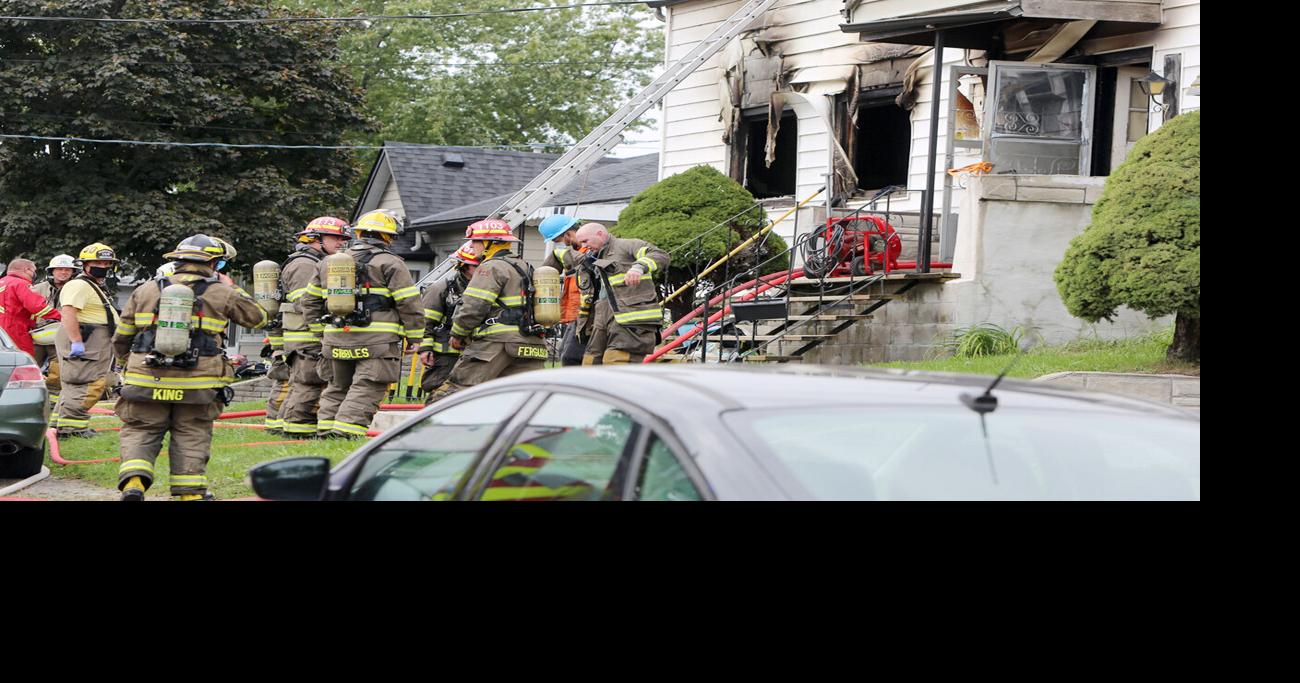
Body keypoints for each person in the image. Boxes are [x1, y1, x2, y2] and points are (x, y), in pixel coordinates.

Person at [112, 234, 268, 501]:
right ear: (213, 264)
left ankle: (134, 483)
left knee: (141, 429)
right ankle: (190, 495)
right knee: (192, 433)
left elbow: (122, 336)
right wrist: (231, 286)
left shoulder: (147, 289)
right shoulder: (221, 291)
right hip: (197, 383)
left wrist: (128, 364)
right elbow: (258, 317)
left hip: (147, 378)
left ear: (178, 261)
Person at [299, 209, 423, 438]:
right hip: (377, 342)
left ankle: (325, 430)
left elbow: (309, 301)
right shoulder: (391, 263)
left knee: (337, 386)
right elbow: (408, 302)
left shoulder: (328, 263)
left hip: (336, 339)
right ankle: (344, 434)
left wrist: (320, 333)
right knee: (367, 385)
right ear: (387, 237)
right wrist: (415, 336)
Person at [427, 218, 547, 402]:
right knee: (519, 400)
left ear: (489, 244)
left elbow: (473, 306)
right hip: (532, 345)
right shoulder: (526, 267)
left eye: (475, 241)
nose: (472, 245)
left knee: (455, 392)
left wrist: (458, 334)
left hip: (496, 345)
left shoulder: (490, 267)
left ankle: (428, 429)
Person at [276, 217, 351, 436]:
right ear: (315, 238)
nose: (340, 243)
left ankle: (289, 427)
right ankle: (296, 430)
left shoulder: (311, 261)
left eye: (343, 238)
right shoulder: (305, 264)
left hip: (304, 334)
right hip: (305, 335)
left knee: (305, 383)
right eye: (335, 238)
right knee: (308, 383)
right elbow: (304, 303)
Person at [573, 222, 670, 364]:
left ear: (600, 234)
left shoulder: (626, 245)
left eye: (585, 241)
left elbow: (660, 255)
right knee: (590, 362)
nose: (583, 246)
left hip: (631, 321)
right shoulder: (592, 258)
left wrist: (639, 267)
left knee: (616, 363)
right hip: (603, 320)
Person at [53, 243, 122, 438]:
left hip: (92, 339)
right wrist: (76, 341)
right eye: (98, 262)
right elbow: (68, 313)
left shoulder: (92, 285)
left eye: (107, 263)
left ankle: (58, 426)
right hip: (87, 338)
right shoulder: (79, 285)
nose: (103, 266)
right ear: (84, 264)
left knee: (76, 386)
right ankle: (72, 429)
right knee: (89, 384)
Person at [417, 242, 478, 403]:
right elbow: (425, 322)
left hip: (476, 351)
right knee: (440, 390)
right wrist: (425, 348)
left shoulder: (488, 288)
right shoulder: (441, 288)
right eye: (476, 266)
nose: (480, 270)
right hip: (445, 353)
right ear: (462, 266)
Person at [537, 215, 591, 366]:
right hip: (575, 316)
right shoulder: (575, 252)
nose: (561, 246)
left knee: (571, 358)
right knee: (564, 355)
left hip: (587, 316)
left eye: (559, 241)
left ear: (568, 234)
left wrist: (561, 254)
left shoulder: (589, 251)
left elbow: (586, 263)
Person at [31, 254, 76, 423]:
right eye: (60, 269)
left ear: (73, 272)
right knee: (29, 369)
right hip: (37, 336)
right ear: (52, 271)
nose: (63, 272)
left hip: (61, 337)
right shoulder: (38, 288)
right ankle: (30, 401)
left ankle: (53, 404)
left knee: (58, 373)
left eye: (67, 269)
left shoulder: (76, 288)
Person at [0, 258, 61, 357]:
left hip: (2, 329)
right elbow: (37, 306)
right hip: (15, 328)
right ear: (27, 270)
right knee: (23, 358)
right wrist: (60, 316)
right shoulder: (21, 284)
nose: (34, 274)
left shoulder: (2, 281)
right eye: (34, 270)